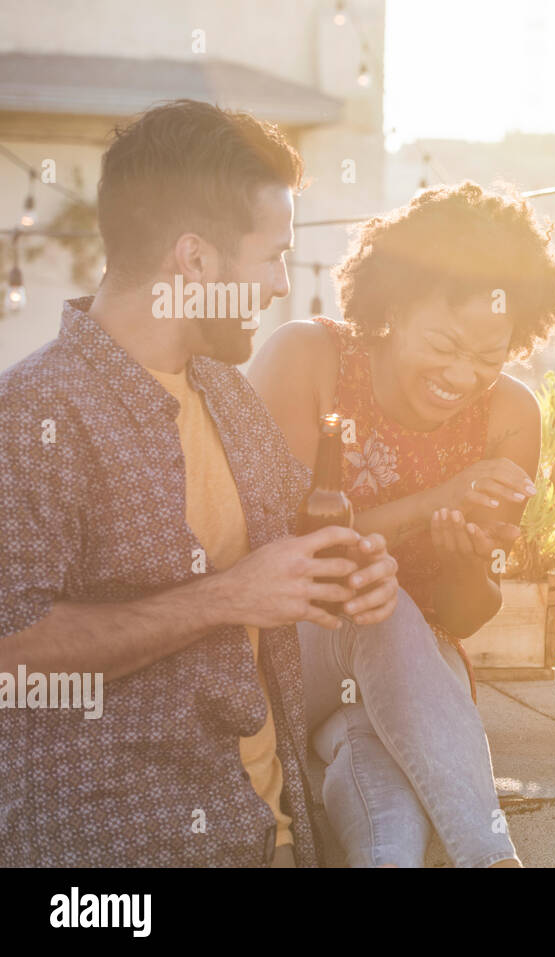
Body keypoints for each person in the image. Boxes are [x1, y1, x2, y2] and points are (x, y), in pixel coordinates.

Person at [0, 99, 402, 867]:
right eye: (273, 255)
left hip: (265, 828)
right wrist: (225, 595)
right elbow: (12, 654)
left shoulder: (226, 392)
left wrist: (353, 571)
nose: (284, 285)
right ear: (195, 261)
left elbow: (290, 549)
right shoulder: (33, 413)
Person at [248, 182, 555, 867]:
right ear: (393, 307)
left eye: (491, 357)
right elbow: (279, 555)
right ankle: (491, 856)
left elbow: (465, 611)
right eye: (446, 344)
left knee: (374, 766)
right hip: (282, 659)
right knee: (376, 592)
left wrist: (464, 558)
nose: (463, 376)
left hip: (405, 693)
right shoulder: (308, 359)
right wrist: (434, 502)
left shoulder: (510, 415)